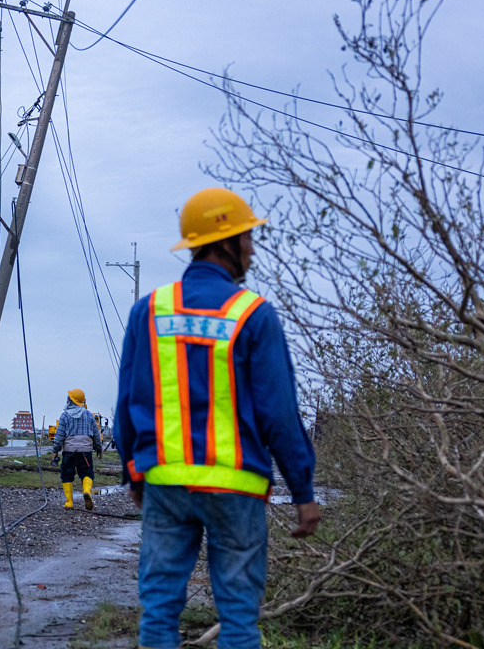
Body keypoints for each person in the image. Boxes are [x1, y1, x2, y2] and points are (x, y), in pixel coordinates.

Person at [115, 187, 320, 649]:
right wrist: (303, 491)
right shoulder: (254, 314)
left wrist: (134, 473)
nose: (251, 248)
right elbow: (280, 413)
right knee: (240, 621)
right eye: (247, 237)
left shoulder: (148, 311)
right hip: (236, 486)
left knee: (160, 610)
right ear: (225, 241)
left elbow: (126, 403)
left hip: (167, 482)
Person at [50, 388, 103, 510]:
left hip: (69, 451)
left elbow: (59, 435)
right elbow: (96, 434)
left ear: (70, 400)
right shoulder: (89, 415)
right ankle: (87, 492)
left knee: (67, 475)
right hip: (85, 451)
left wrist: (55, 451)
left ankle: (69, 502)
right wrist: (99, 449)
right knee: (87, 473)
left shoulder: (64, 416)